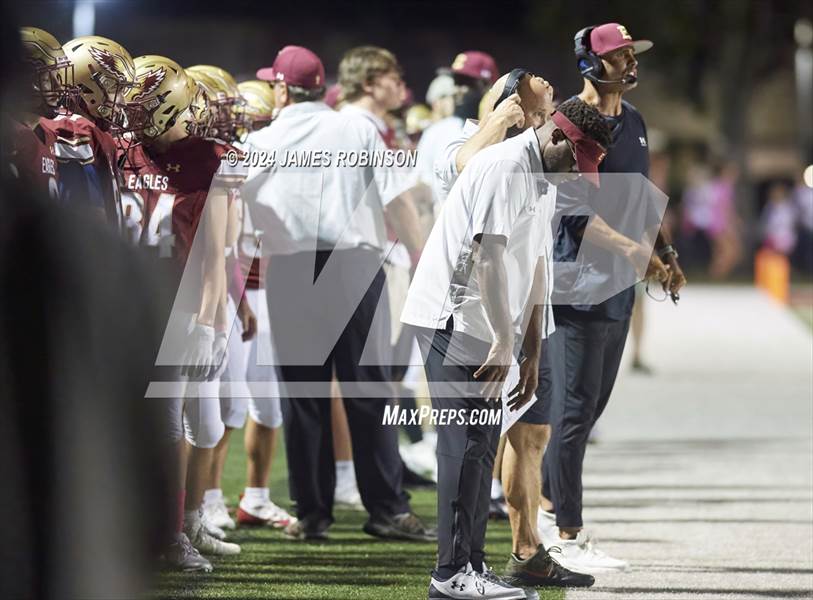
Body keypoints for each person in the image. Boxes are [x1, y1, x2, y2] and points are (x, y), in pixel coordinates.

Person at [402, 98, 609, 598]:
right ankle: (450, 575)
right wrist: (502, 339)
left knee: (481, 447)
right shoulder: (506, 167)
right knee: (463, 448)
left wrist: (531, 349)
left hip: (488, 326)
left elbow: (536, 268)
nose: (578, 177)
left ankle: (471, 567)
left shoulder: (541, 176)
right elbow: (490, 258)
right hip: (455, 319)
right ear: (557, 136)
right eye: (577, 164)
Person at [242, 45, 433, 542]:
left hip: (289, 268)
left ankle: (312, 514)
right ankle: (387, 510)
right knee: (367, 389)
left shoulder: (263, 137)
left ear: (282, 88)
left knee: (304, 396)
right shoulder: (354, 127)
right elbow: (397, 198)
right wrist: (421, 259)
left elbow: (244, 202)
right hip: (352, 266)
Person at [537, 23, 687, 575]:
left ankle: (552, 508)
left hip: (619, 282)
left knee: (592, 406)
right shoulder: (570, 122)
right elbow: (573, 209)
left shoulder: (637, 121)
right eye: (618, 55)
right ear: (589, 63)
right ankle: (566, 534)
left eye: (630, 54)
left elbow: (641, 199)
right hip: (577, 282)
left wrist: (664, 251)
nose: (629, 62)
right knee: (573, 411)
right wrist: (635, 251)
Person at [119, 55, 241, 570]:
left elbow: (218, 250)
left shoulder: (211, 157)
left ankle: (175, 532)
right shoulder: (115, 149)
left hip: (175, 307)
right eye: (186, 104)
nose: (197, 112)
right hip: (125, 302)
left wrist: (209, 319)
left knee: (175, 425)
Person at [416, 51, 498, 211]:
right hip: (445, 224)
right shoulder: (436, 132)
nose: (457, 90)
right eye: (456, 82)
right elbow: (422, 186)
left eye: (466, 83)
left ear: (488, 86)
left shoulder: (508, 129)